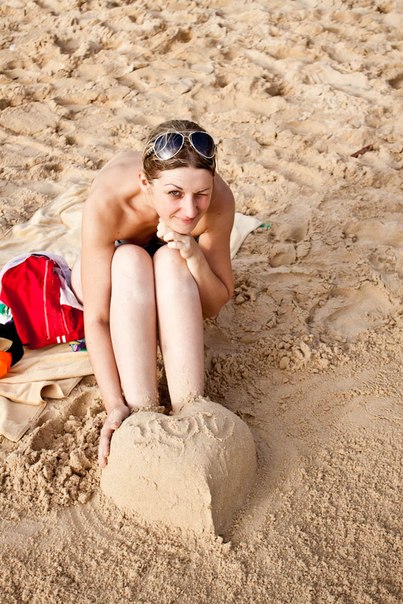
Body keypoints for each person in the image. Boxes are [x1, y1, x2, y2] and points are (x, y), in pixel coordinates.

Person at [71, 119, 235, 467]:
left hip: (170, 263)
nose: (190, 210)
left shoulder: (219, 200)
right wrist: (114, 404)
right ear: (145, 183)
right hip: (120, 269)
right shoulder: (109, 203)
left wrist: (194, 255)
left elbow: (214, 304)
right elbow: (96, 317)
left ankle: (191, 405)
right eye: (175, 194)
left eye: (201, 194)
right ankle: (140, 413)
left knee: (172, 259)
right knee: (131, 259)